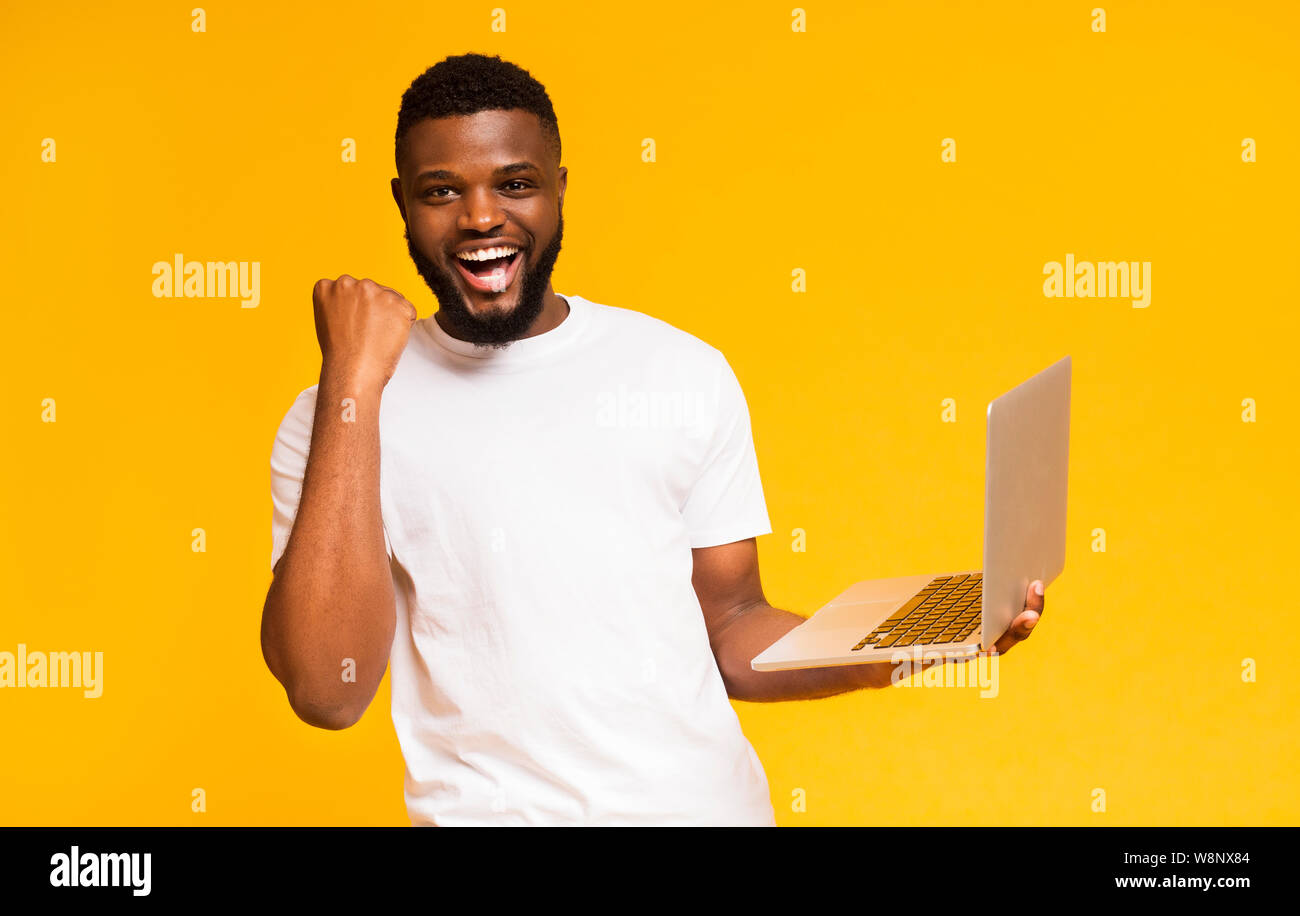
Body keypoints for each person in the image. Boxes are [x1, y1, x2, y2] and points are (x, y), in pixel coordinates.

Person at [260, 53, 1046, 827]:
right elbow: (328, 690)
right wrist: (355, 386)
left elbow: (735, 629)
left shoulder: (679, 371)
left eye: (515, 183)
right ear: (402, 203)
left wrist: (928, 637)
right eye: (442, 192)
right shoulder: (337, 417)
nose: (480, 216)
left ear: (559, 189)